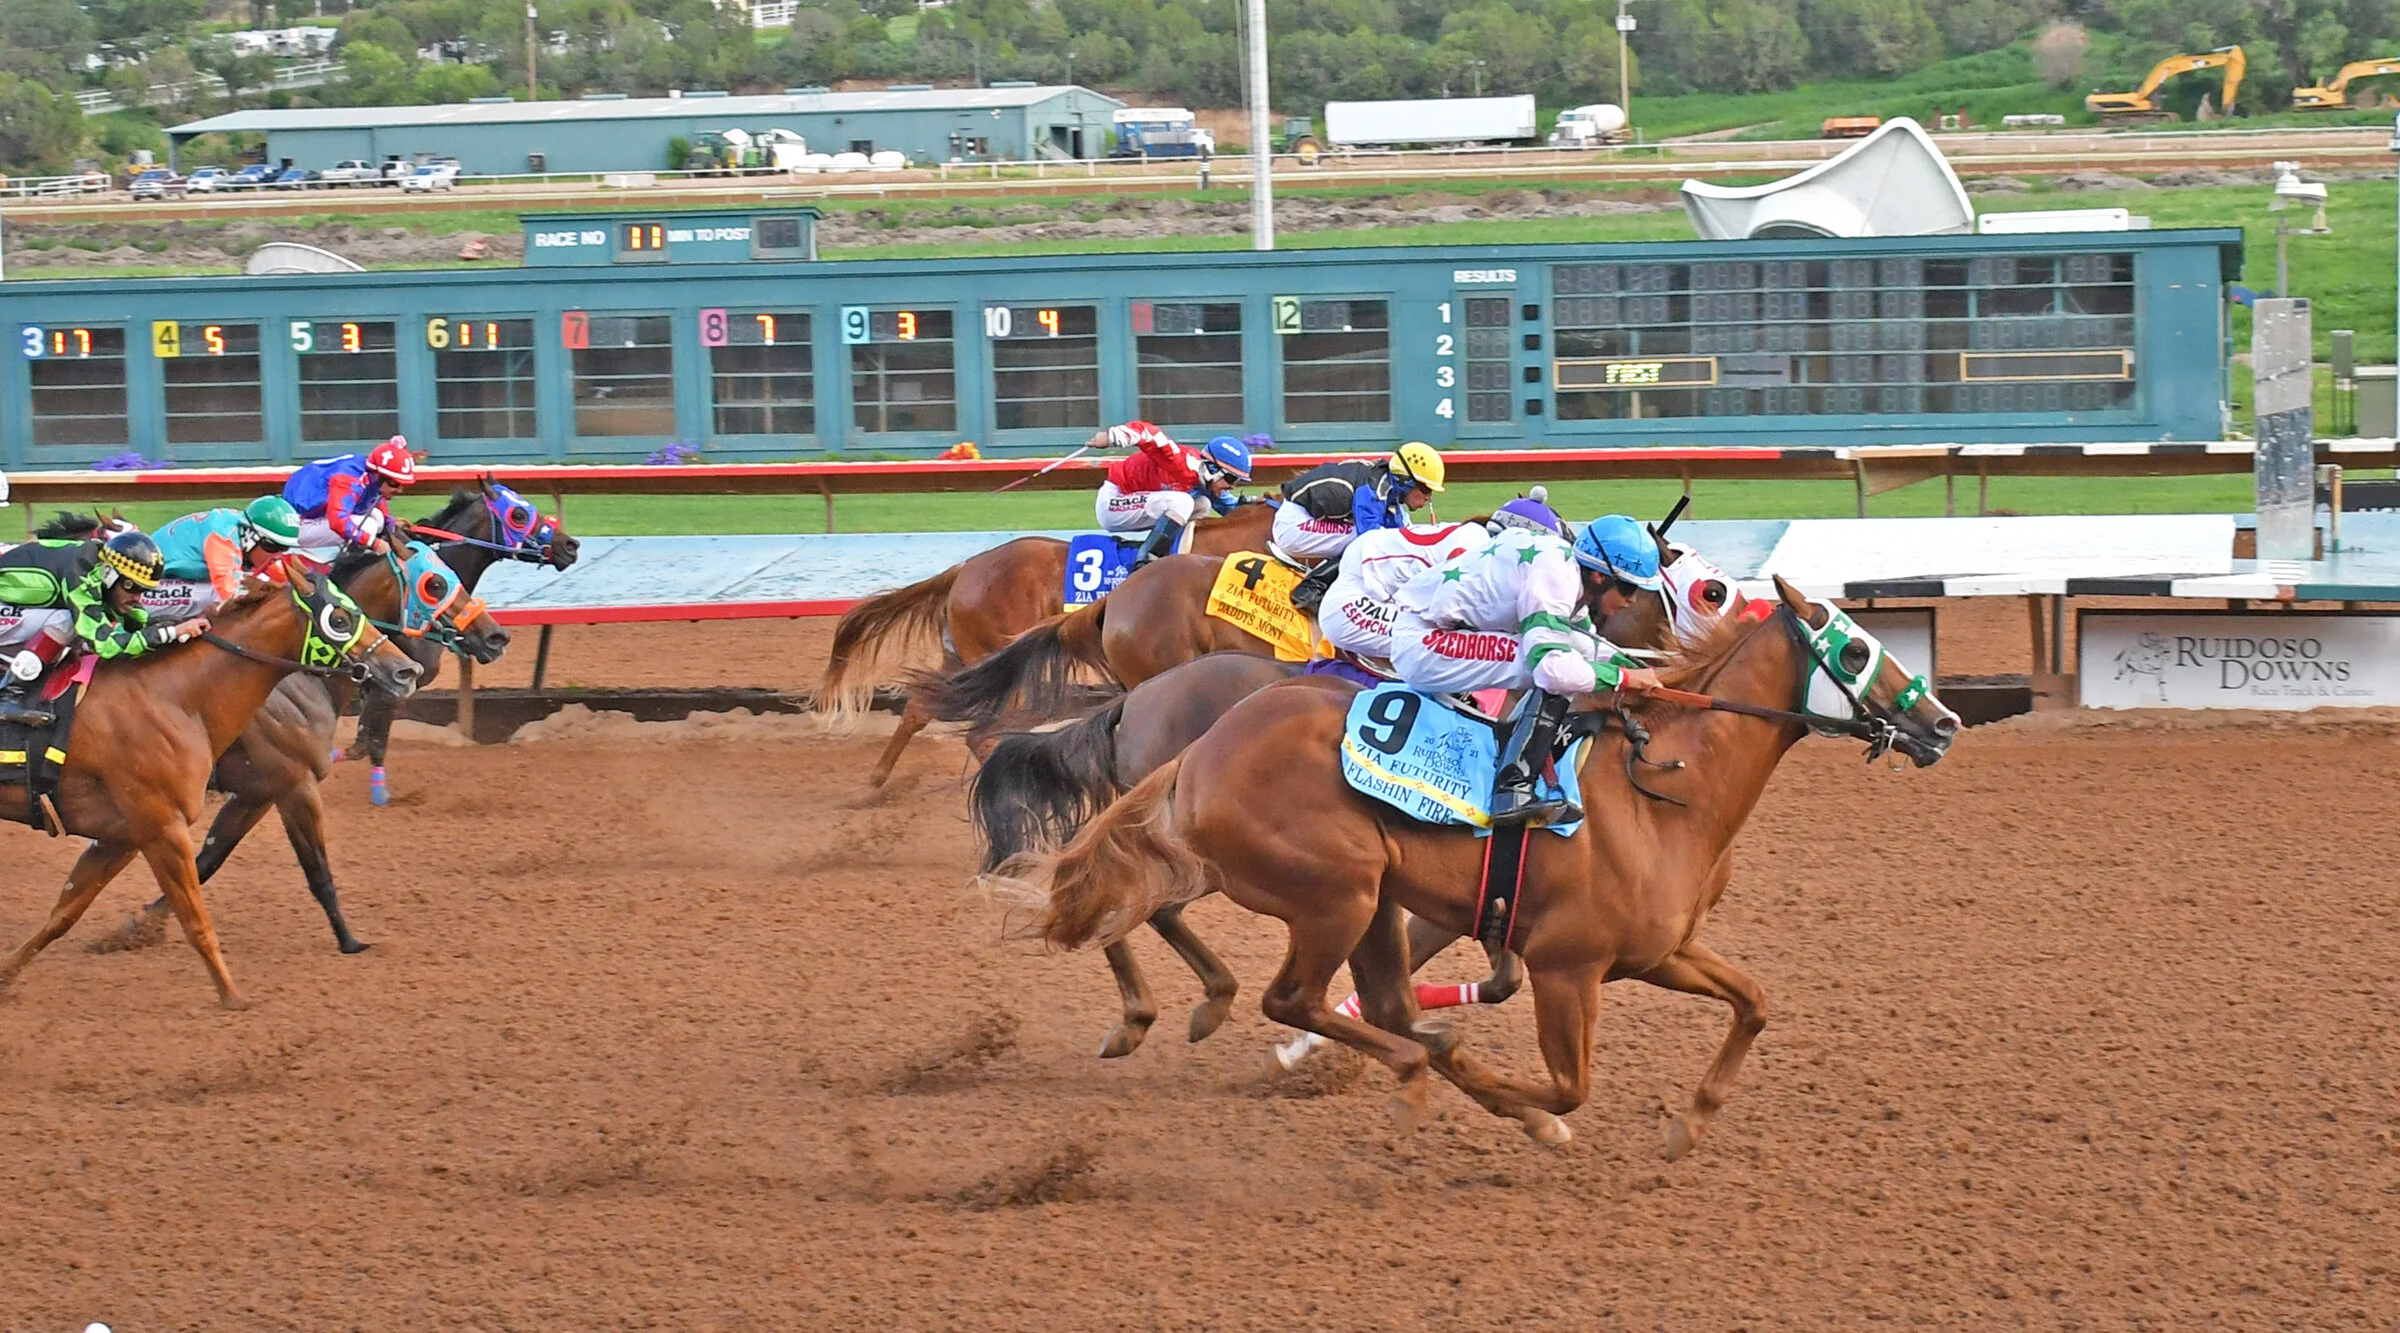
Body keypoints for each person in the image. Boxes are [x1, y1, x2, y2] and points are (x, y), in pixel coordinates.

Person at [1390, 511, 1665, 827]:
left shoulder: (1570, 573)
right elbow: (1553, 670)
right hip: (1423, 644)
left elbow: (1589, 645)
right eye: (1628, 588)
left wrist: (1641, 671)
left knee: (1569, 656)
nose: (1632, 600)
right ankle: (1513, 789)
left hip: (1441, 630)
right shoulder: (1555, 578)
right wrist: (1625, 678)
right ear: (1600, 577)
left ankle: (1516, 757)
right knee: (1555, 668)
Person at [1315, 489, 1568, 670]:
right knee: (1459, 647)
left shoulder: (1482, 542)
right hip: (1354, 601)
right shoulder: (1474, 548)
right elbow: (1452, 609)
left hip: (1371, 586)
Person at [0, 530, 200, 727]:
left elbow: (138, 620)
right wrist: (167, 633)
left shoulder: (99, 567)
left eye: (144, 590)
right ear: (109, 575)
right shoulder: (79, 575)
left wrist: (170, 626)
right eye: (132, 587)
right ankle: (9, 695)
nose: (138, 597)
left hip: (17, 606)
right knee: (67, 621)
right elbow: (104, 644)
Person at [1278, 442, 1445, 609]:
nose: (1428, 497)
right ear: (1405, 481)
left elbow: (1403, 537)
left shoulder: (1387, 487)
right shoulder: (1372, 491)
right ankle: (1310, 590)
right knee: (1369, 542)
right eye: (1425, 489)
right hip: (1294, 523)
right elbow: (1369, 541)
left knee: (1390, 539)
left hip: (1308, 517)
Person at [1087, 422, 1253, 565]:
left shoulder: (1207, 481)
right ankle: (1145, 564)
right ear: (1213, 469)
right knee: (1183, 502)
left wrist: (1259, 508)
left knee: (1203, 504)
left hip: (1136, 504)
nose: (1232, 486)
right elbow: (1149, 433)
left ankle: (1180, 559)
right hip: (1114, 502)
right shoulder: (1180, 461)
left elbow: (1233, 509)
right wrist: (1112, 436)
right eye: (1231, 479)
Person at [148, 496, 301, 623]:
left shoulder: (242, 531)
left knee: (261, 586)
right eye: (272, 546)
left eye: (284, 548)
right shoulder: (223, 537)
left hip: (175, 583)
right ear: (251, 536)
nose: (278, 555)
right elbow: (230, 592)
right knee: (230, 596)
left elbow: (283, 578)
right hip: (146, 591)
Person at [283, 435, 418, 567]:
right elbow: (338, 520)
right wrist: (375, 543)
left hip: (314, 514)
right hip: (295, 525)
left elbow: (376, 500)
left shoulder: (367, 473)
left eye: (402, 485)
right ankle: (339, 568)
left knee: (378, 517)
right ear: (378, 475)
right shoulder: (348, 480)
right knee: (368, 526)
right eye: (394, 483)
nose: (399, 490)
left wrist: (392, 527)